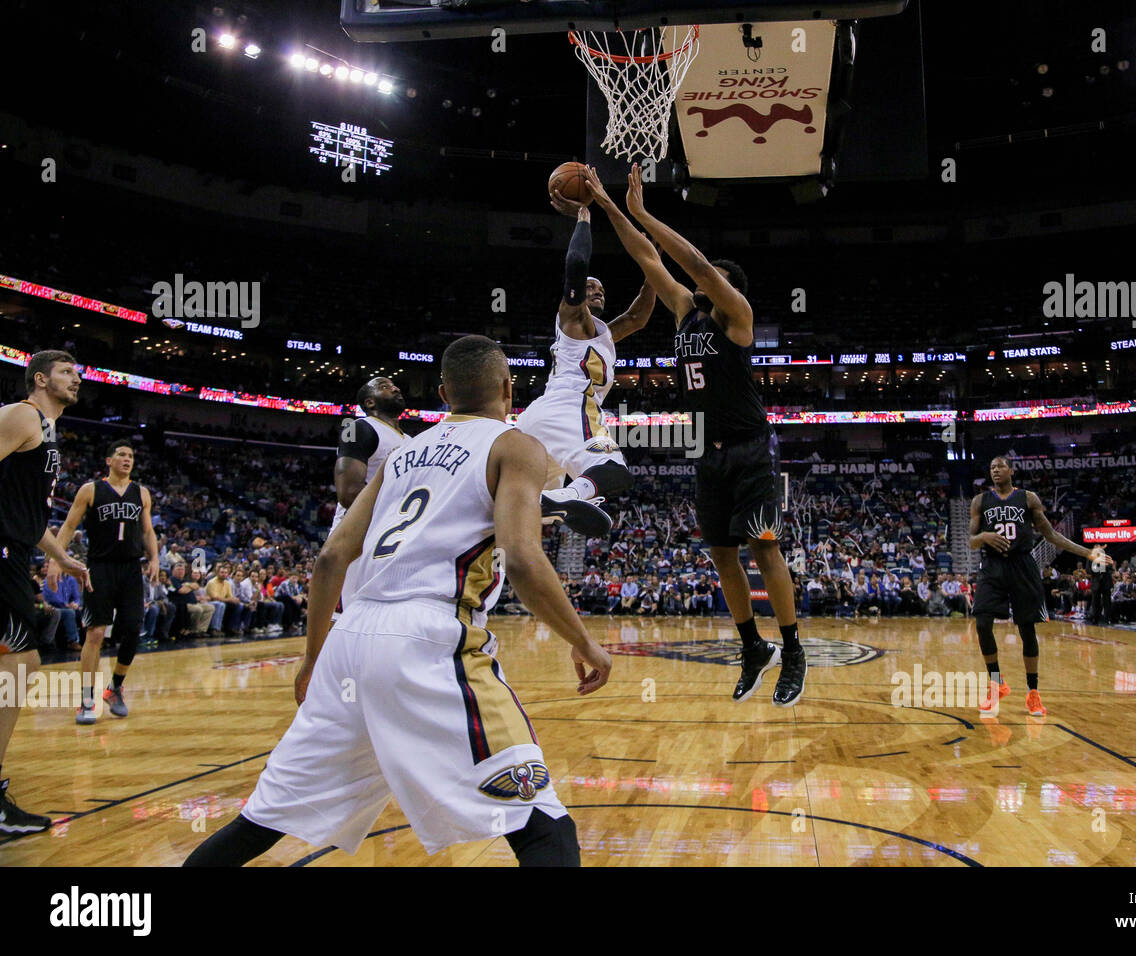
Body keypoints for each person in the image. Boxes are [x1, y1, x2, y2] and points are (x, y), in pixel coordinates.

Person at [184, 335, 611, 867]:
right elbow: (522, 560)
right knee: (540, 821)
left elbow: (330, 560)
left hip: (352, 636)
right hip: (430, 636)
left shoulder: (403, 454)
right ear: (508, 388)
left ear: (441, 392)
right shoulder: (514, 444)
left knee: (261, 821)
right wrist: (584, 641)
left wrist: (314, 659)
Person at [582, 163, 806, 706]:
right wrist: (613, 207)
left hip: (750, 445)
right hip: (705, 447)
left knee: (763, 544)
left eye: (710, 284)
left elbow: (696, 264)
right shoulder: (684, 312)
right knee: (722, 555)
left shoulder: (736, 316)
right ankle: (753, 646)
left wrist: (643, 211)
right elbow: (646, 257)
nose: (698, 287)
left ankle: (793, 649)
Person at [516, 192, 657, 537]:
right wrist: (584, 217)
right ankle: (569, 497)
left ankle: (548, 509)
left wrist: (655, 263)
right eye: (590, 287)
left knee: (532, 522)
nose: (596, 290)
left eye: (601, 289)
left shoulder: (603, 333)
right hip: (570, 408)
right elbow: (577, 265)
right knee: (612, 470)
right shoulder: (573, 317)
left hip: (538, 419)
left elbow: (638, 316)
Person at [0, 350, 91, 834]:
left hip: (16, 551)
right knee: (22, 661)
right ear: (40, 378)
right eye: (65, 372)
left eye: (78, 374)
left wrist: (62, 557)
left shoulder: (48, 433)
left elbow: (27, 516)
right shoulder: (22, 415)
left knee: (15, 662)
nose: (76, 379)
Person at [970, 456, 1112, 717]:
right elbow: (971, 541)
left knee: (1027, 629)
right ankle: (996, 682)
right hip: (992, 566)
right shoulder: (980, 501)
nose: (995, 471)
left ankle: (1033, 692)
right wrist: (984, 536)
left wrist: (1088, 553)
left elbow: (1051, 535)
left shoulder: (1028, 498)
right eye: (991, 467)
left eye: (1000, 466)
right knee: (981, 623)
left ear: (1011, 470)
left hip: (1022, 565)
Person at [54, 439, 159, 722]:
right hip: (100, 568)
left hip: (130, 569)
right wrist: (56, 558)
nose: (127, 459)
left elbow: (148, 532)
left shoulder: (142, 493)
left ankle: (115, 688)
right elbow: (68, 526)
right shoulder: (90, 490)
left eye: (131, 456)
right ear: (108, 461)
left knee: (133, 630)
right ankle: (87, 699)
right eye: (122, 455)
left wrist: (155, 558)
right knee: (96, 633)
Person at [332, 377, 408, 623]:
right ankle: (326, 662)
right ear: (370, 402)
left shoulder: (411, 442)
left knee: (385, 616)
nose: (396, 387)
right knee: (347, 616)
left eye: (394, 384)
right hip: (359, 534)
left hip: (394, 535)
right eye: (385, 386)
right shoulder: (358, 427)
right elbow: (348, 492)